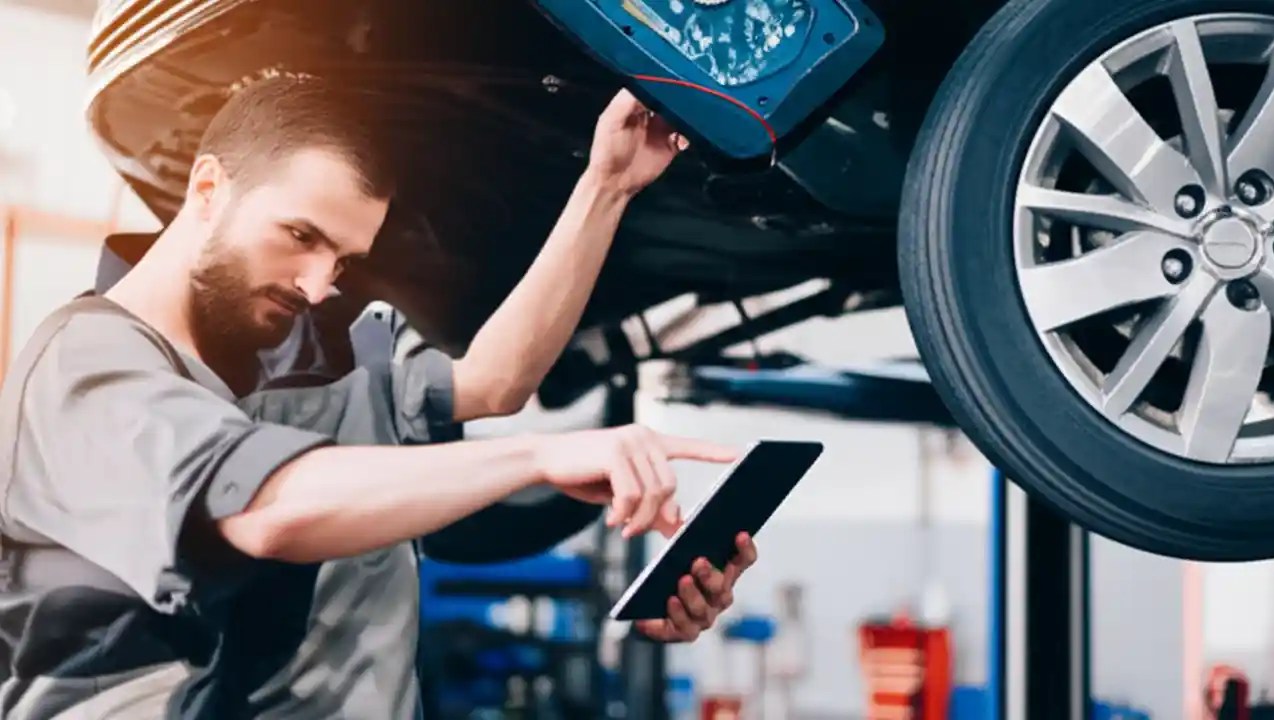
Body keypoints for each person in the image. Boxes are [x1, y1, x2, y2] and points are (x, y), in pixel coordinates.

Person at [0, 75, 759, 719]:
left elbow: (495, 382)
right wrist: (538, 457)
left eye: (342, 257)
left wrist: (608, 185)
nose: (316, 282)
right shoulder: (86, 367)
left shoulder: (325, 350)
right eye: (299, 234)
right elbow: (266, 506)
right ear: (207, 190)